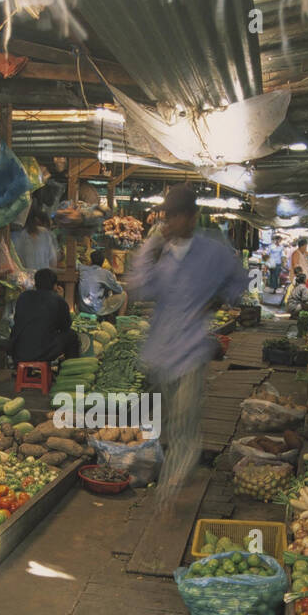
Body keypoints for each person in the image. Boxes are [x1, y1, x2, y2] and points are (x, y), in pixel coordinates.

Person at [129, 183, 243, 506]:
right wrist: (149, 250)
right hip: (159, 355)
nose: (172, 222)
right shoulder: (160, 254)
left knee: (185, 426)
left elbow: (238, 280)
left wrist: (217, 301)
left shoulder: (213, 251)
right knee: (168, 425)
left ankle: (169, 496)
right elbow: (138, 288)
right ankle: (175, 476)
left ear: (193, 217)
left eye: (178, 216)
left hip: (190, 353)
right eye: (168, 216)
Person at [12, 268, 78, 365]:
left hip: (18, 350)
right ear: (55, 285)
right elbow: (65, 326)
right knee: (72, 335)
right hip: (42, 353)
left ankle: (25, 371)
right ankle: (70, 370)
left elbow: (17, 320)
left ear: (35, 283)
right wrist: (60, 298)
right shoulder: (57, 300)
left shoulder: (23, 297)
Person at [76, 249, 125, 316]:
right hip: (96, 309)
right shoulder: (106, 273)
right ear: (103, 262)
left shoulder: (83, 269)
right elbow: (119, 290)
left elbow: (75, 263)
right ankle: (120, 320)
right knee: (124, 294)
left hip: (83, 308)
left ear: (90, 261)